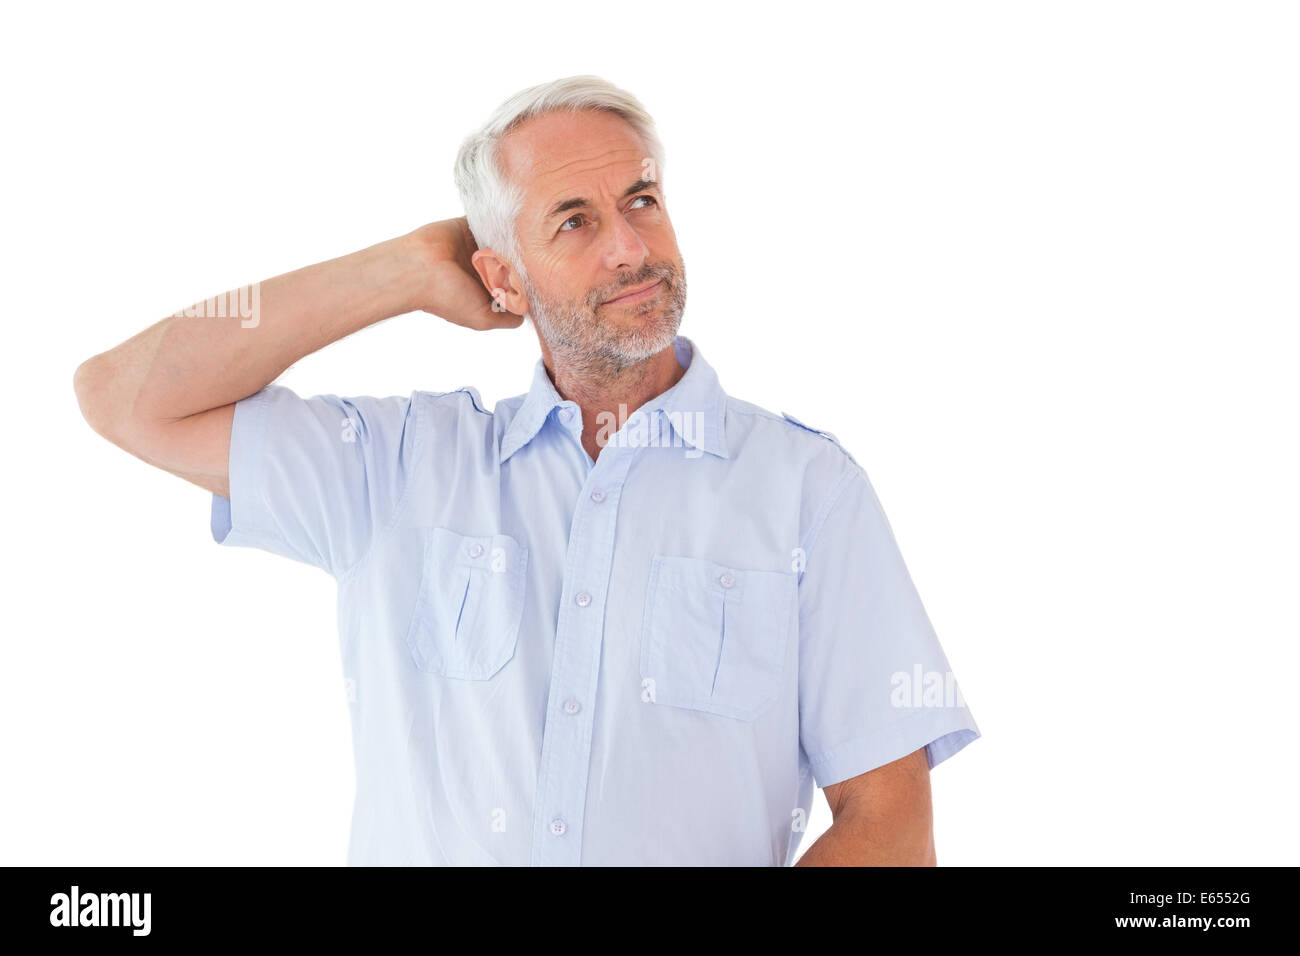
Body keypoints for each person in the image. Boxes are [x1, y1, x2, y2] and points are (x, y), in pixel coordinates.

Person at [73, 74, 980, 866]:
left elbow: (894, 823)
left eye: (641, 201)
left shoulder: (808, 491)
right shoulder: (391, 470)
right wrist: (405, 270)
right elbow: (123, 397)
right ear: (501, 278)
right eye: (574, 221)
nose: (628, 248)